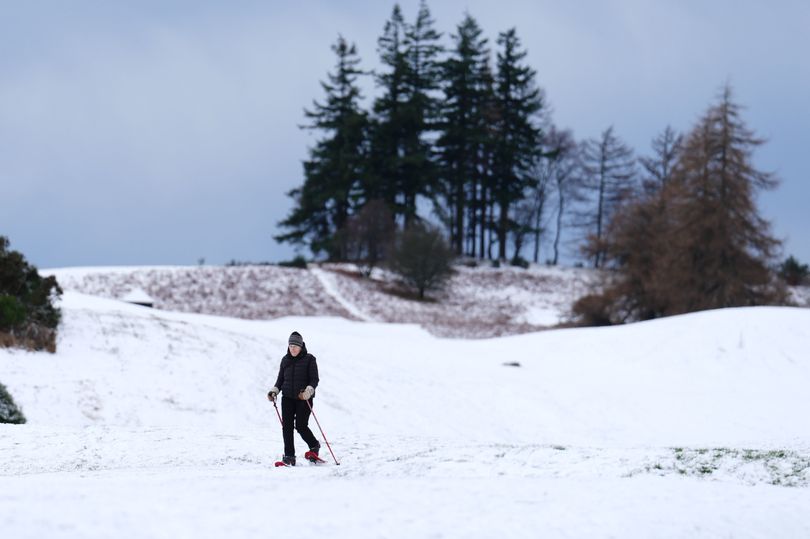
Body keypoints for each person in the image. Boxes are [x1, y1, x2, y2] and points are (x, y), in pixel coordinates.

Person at [267, 331, 320, 466]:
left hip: (304, 398)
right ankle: (289, 456)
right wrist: (274, 391)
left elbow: (314, 379)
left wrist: (309, 390)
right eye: (290, 346)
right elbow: (280, 380)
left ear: (301, 346)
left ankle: (314, 445)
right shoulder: (285, 360)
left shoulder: (310, 359)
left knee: (301, 426)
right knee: (287, 427)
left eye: (295, 346)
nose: (293, 348)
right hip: (287, 399)